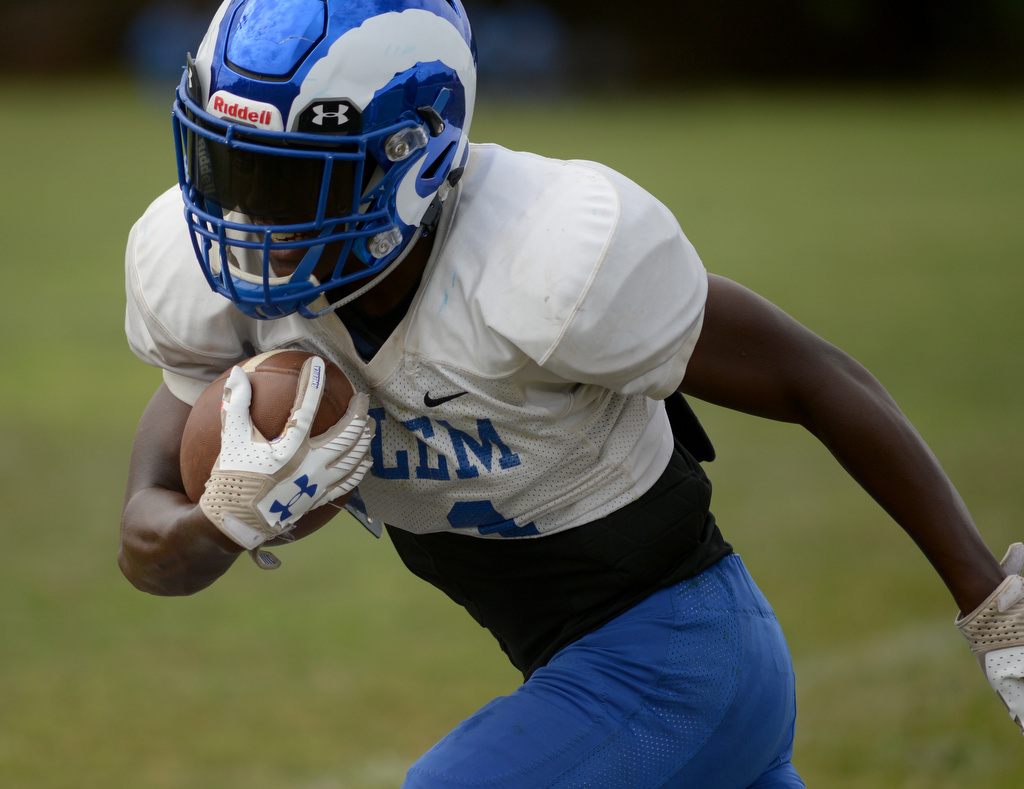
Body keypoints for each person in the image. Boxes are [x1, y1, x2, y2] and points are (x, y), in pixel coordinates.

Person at [118, 0, 1024, 786]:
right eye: (229, 167)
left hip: (682, 657)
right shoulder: (223, 301)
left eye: (287, 180)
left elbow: (812, 376)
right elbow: (143, 543)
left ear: (412, 156)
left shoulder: (545, 262)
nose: (247, 219)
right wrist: (222, 522)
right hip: (586, 666)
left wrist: (994, 609)